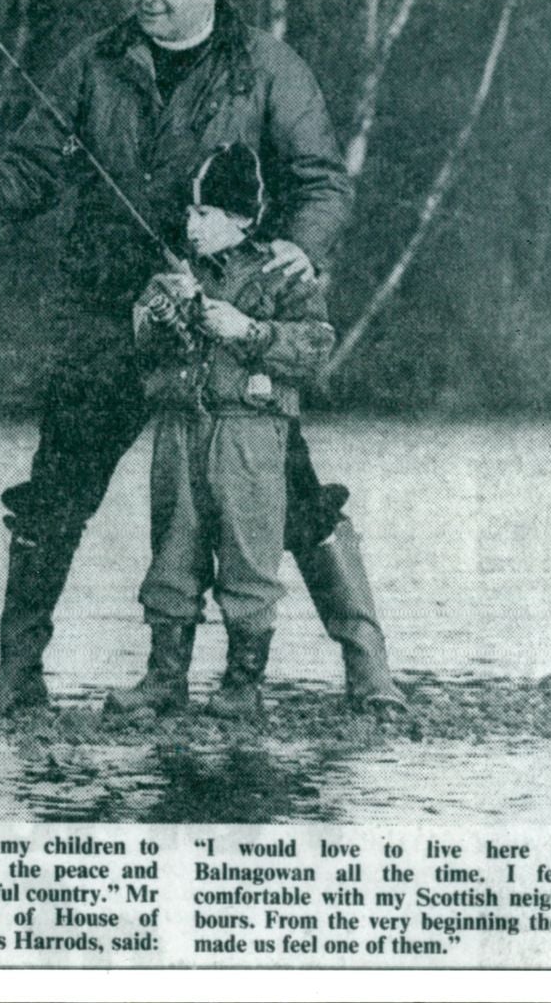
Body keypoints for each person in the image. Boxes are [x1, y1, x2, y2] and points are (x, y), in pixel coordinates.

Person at [0, 0, 404, 718]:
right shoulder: (91, 66)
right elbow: (28, 172)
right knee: (56, 490)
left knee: (292, 496)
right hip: (105, 318)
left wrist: (302, 246)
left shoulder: (269, 69)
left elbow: (323, 182)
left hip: (223, 325)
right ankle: (17, 675)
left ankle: (369, 668)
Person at [104, 143, 334, 721]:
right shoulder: (172, 278)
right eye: (188, 212)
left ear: (240, 218)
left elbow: (314, 348)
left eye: (204, 214)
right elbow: (145, 350)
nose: (190, 223)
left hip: (250, 435)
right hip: (179, 431)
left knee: (249, 558)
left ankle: (242, 685)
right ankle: (164, 680)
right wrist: (160, 319)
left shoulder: (284, 277)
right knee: (172, 555)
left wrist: (248, 330)